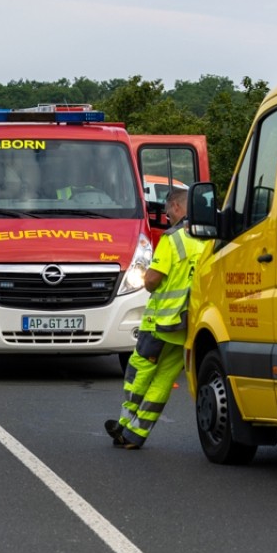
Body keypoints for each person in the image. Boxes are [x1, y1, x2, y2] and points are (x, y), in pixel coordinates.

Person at [107, 187, 207, 449]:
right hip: (187, 324)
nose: (167, 217)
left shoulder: (172, 238)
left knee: (138, 370)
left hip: (160, 321)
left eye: (167, 211)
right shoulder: (207, 238)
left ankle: (124, 423)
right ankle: (136, 434)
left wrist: (149, 277)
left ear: (175, 206)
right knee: (164, 379)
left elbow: (152, 280)